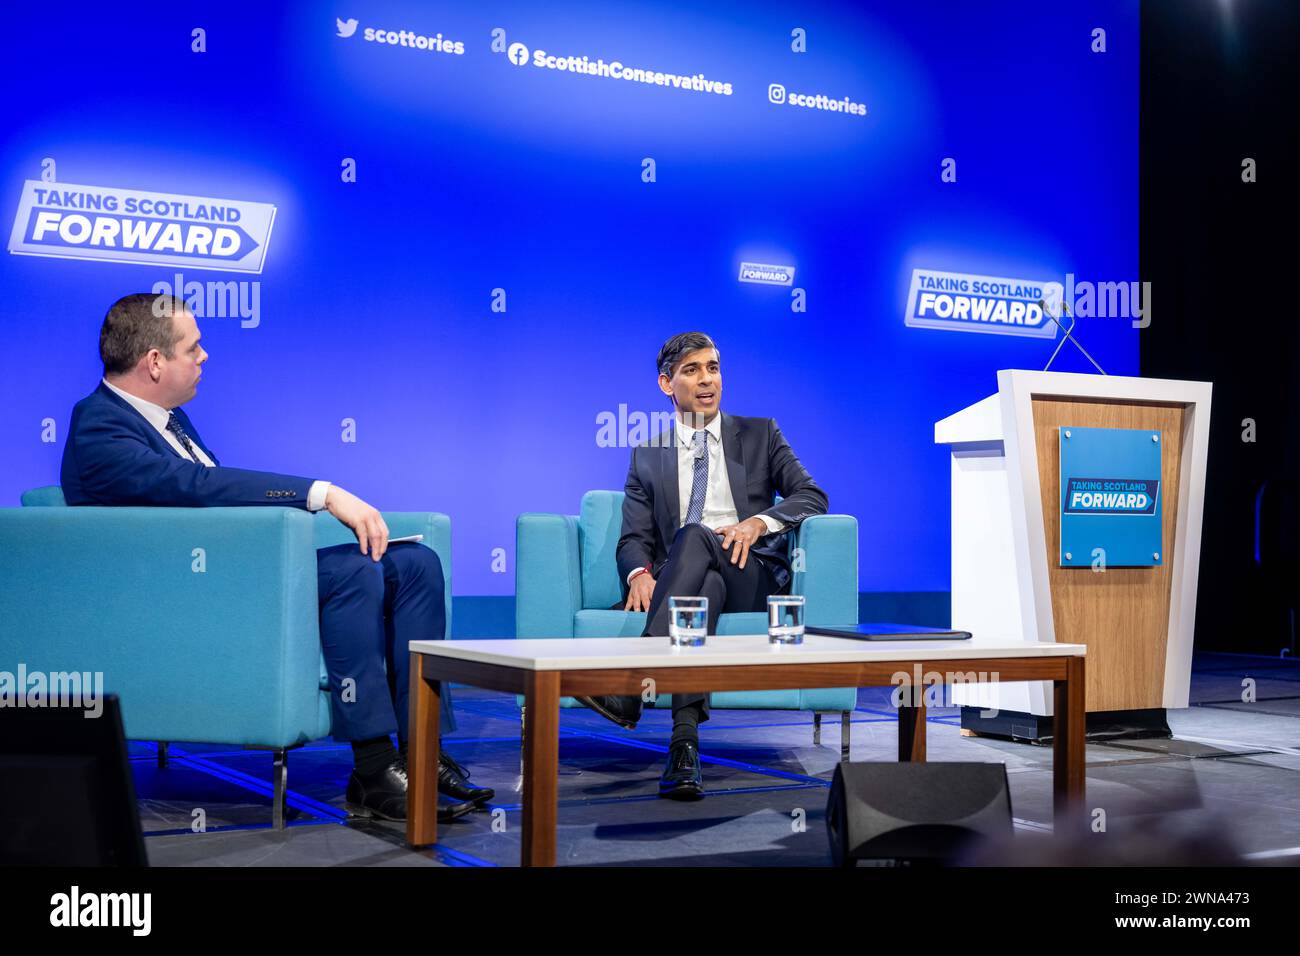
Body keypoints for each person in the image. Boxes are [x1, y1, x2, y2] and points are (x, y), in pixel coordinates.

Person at [60, 292, 491, 823]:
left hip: (231, 576)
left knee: (415, 564)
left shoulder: (170, 420)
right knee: (355, 571)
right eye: (193, 348)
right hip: (182, 601)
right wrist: (322, 492)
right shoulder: (99, 425)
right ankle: (374, 769)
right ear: (154, 362)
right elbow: (195, 486)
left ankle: (421, 751)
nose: (205, 357)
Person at [577, 332, 828, 798]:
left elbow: (811, 496)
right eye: (691, 370)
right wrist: (640, 574)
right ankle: (684, 745)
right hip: (692, 578)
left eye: (712, 367)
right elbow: (634, 539)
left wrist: (758, 522)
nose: (706, 379)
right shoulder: (647, 455)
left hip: (752, 573)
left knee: (694, 538)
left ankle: (634, 683)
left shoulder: (760, 434)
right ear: (666, 385)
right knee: (700, 587)